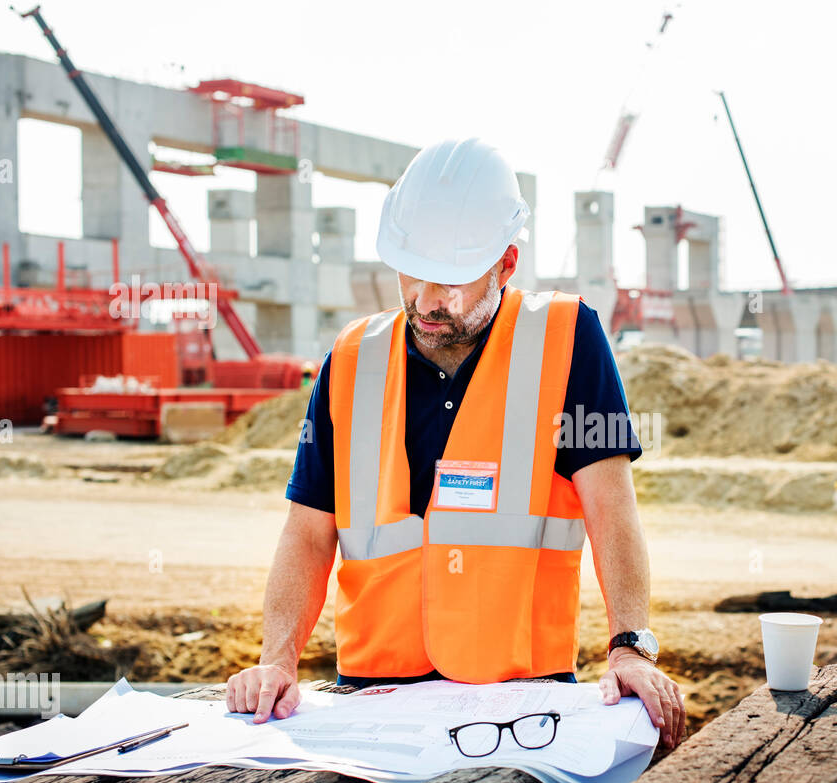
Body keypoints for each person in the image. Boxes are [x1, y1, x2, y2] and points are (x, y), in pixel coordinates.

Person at [225, 138, 685, 750]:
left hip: (521, 706)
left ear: (507, 263)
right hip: (373, 701)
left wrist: (631, 647)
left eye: (453, 279)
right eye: (412, 272)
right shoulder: (351, 357)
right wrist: (278, 660)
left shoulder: (567, 338)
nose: (427, 298)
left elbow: (612, 509)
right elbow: (309, 531)